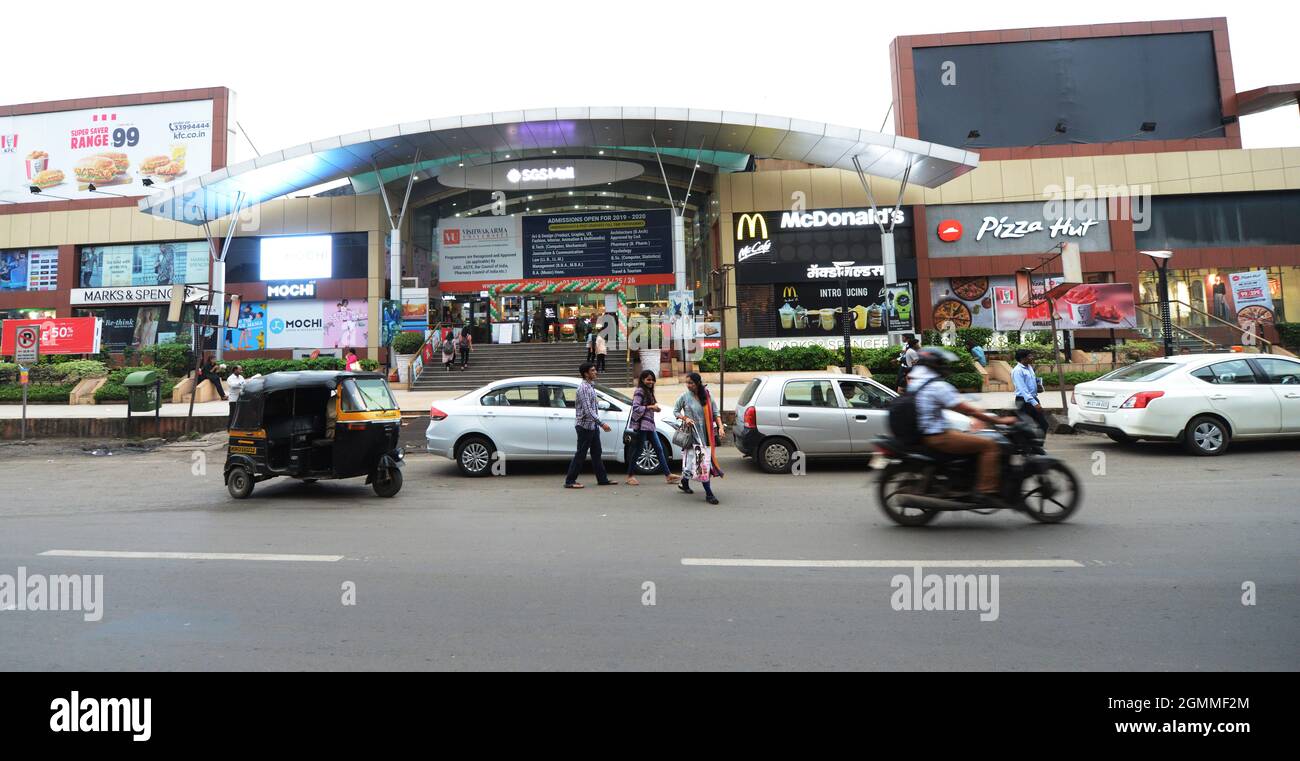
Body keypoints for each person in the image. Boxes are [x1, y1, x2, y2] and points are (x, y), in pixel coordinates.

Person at [910, 348, 1016, 505]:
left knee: (972, 437)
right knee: (989, 446)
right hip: (938, 436)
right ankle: (985, 491)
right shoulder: (936, 386)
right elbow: (964, 408)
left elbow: (957, 404)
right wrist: (998, 421)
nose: (944, 366)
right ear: (934, 365)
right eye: (941, 363)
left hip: (931, 433)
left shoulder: (919, 383)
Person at [674, 372, 724, 505]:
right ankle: (709, 494)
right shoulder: (684, 397)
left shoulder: (707, 396)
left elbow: (715, 413)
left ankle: (684, 483)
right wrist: (685, 418)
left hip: (706, 435)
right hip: (693, 436)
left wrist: (720, 427)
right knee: (702, 464)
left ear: (698, 383)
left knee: (692, 464)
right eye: (687, 383)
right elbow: (676, 411)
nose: (688, 385)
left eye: (691, 383)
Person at [564, 362, 617, 489]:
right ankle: (570, 481)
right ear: (586, 374)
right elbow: (588, 411)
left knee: (596, 453)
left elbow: (592, 407)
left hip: (592, 426)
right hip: (584, 427)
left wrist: (597, 424)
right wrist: (602, 423)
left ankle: (602, 479)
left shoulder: (590, 386)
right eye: (592, 370)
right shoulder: (583, 388)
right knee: (581, 454)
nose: (595, 372)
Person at [625, 371, 679, 486]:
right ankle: (630, 476)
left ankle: (668, 475)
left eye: (652, 379)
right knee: (638, 451)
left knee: (659, 449)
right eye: (648, 379)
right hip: (641, 426)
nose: (651, 382)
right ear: (642, 380)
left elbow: (648, 407)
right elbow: (636, 407)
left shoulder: (648, 391)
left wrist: (655, 408)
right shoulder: (639, 391)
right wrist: (651, 407)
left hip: (649, 425)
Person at [1012, 349, 1049, 435]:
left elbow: (1031, 381)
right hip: (1024, 401)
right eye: (1029, 356)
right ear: (1023, 358)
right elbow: (1023, 389)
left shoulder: (1029, 367)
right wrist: (1034, 403)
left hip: (1033, 398)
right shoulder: (1017, 371)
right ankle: (1029, 447)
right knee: (1029, 426)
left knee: (1042, 424)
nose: (1032, 357)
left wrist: (1038, 385)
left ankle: (1035, 446)